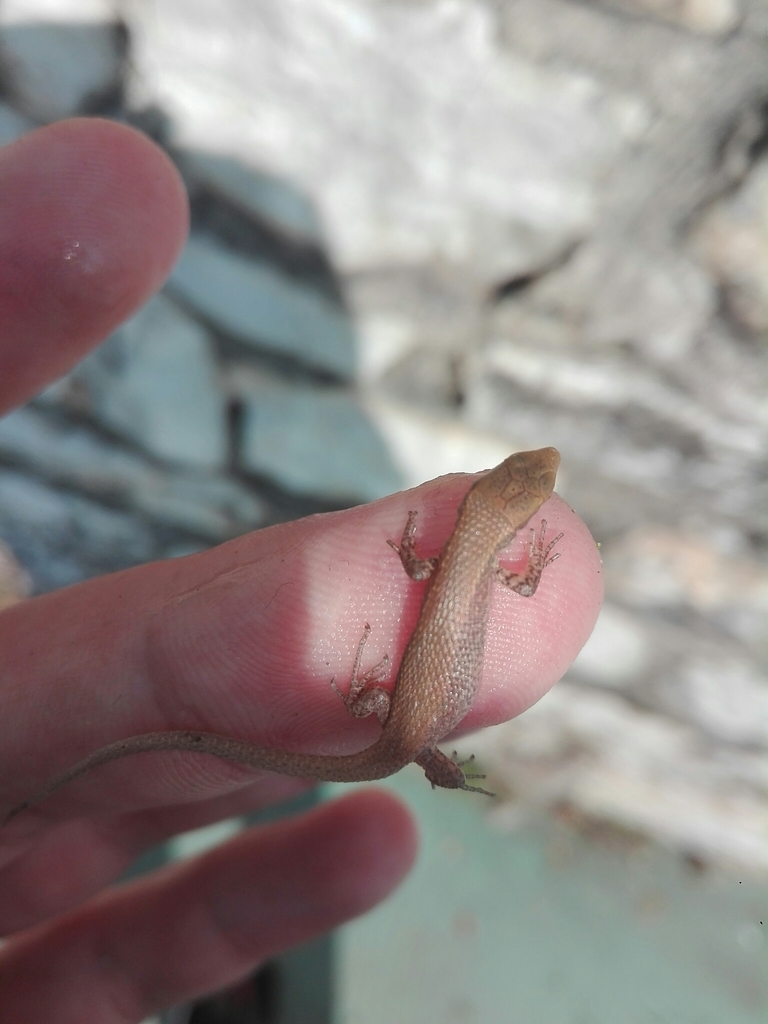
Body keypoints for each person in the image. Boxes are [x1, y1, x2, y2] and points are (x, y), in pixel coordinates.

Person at [0, 118, 602, 1019]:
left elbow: (431, 563)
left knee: (377, 733)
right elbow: (497, 582)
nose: (535, 478)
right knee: (377, 737)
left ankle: (429, 761)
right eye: (527, 485)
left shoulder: (459, 545)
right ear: (499, 511)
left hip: (404, 725)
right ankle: (437, 767)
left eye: (532, 484)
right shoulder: (483, 557)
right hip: (404, 729)